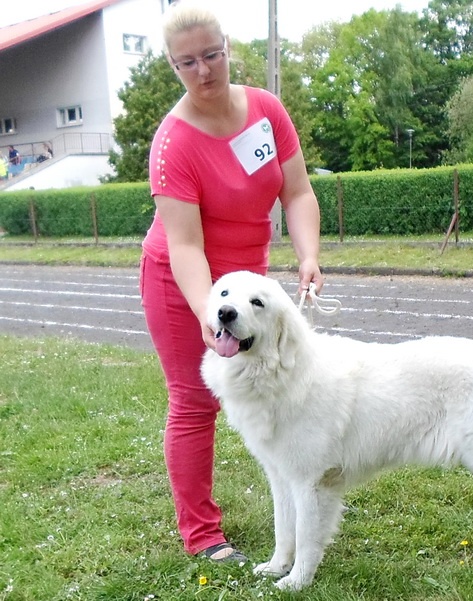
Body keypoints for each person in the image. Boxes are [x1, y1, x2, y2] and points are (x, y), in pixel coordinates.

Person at [139, 1, 323, 564]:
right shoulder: (173, 144)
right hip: (184, 284)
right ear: (172, 65)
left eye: (211, 55)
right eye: (186, 63)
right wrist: (207, 314)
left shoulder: (265, 110)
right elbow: (187, 245)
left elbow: (296, 191)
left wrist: (308, 256)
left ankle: (295, 503)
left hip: (248, 283)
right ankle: (202, 534)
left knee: (274, 387)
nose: (202, 72)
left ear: (227, 48)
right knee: (196, 402)